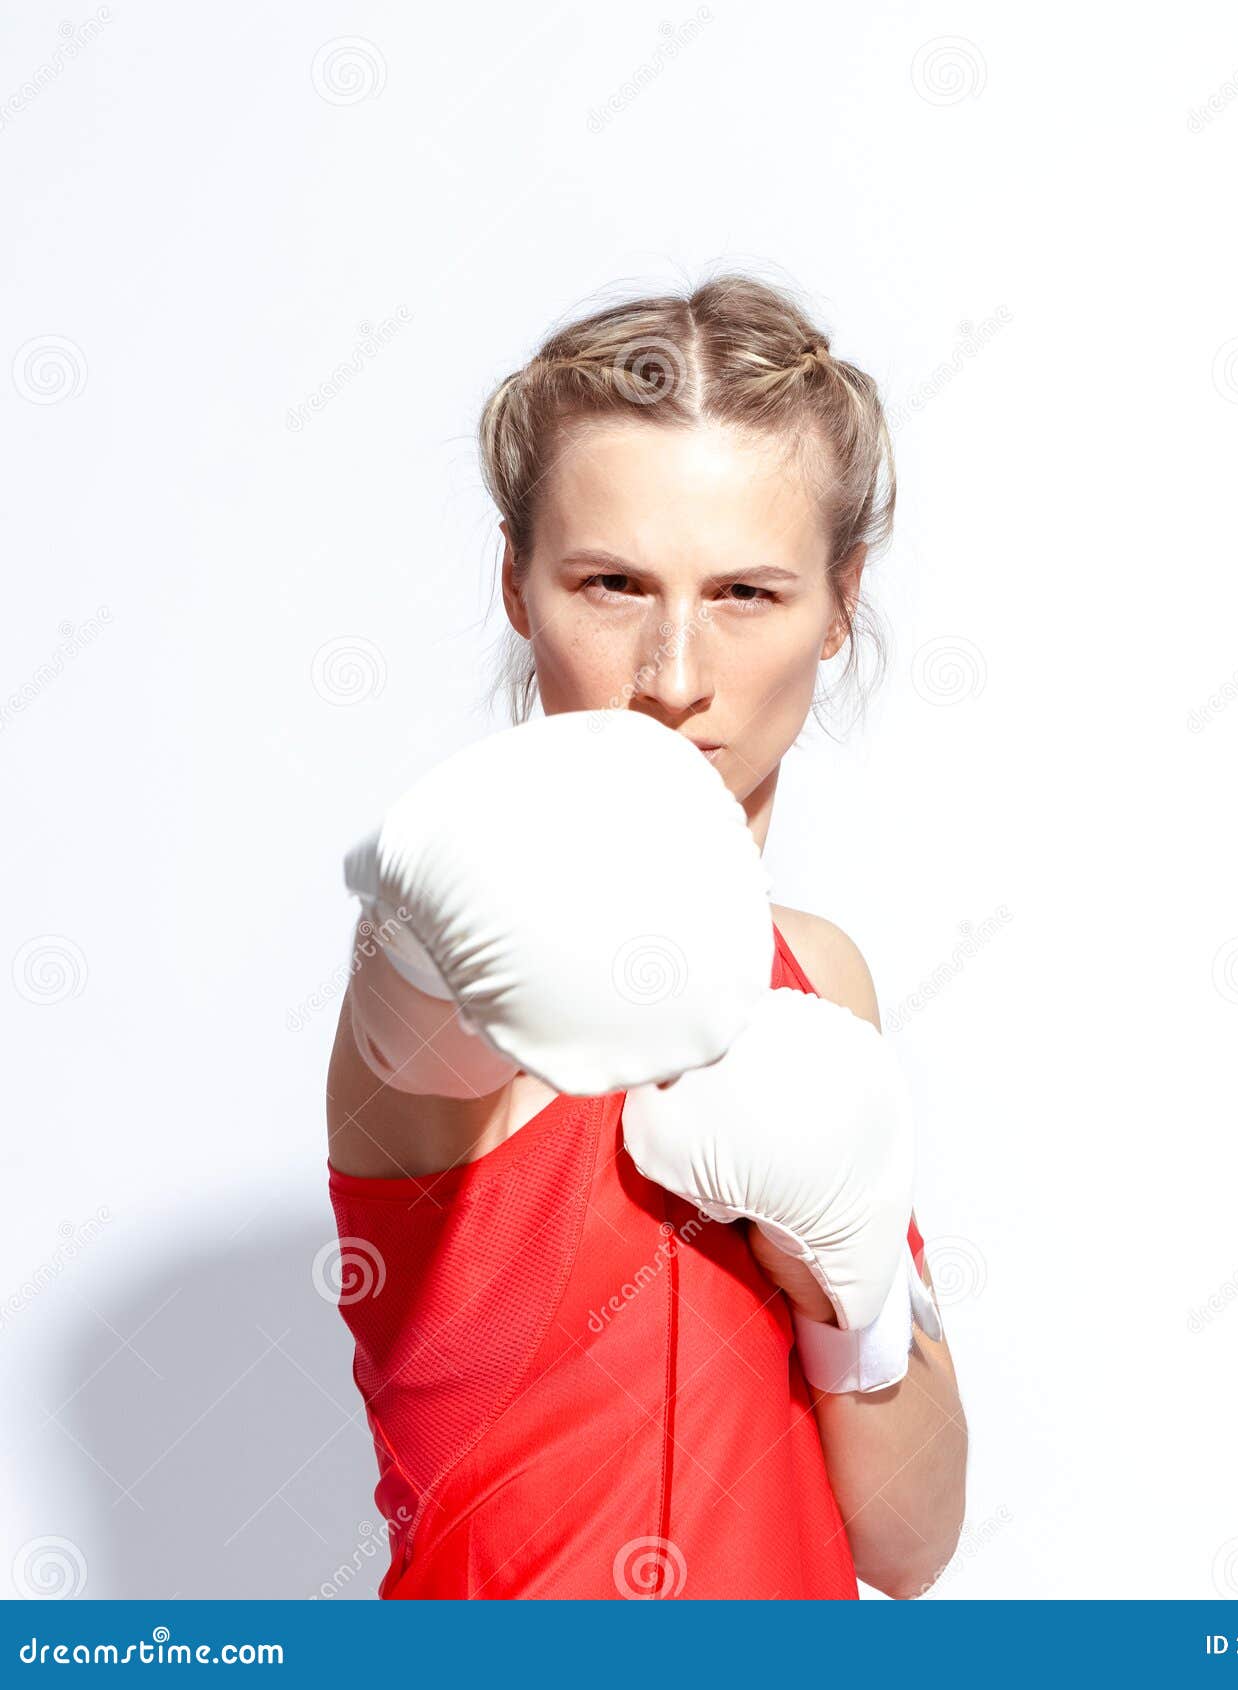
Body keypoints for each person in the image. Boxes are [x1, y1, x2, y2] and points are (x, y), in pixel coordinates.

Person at [323, 273, 968, 1599]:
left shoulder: (824, 974)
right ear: (518, 587)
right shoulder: (457, 968)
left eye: (745, 593)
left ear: (841, 601)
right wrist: (411, 938)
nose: (675, 675)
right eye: (612, 583)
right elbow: (417, 1021)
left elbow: (910, 1546)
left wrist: (852, 1297)